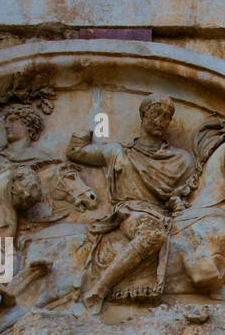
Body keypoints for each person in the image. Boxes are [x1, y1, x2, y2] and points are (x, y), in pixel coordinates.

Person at [66, 93, 197, 311]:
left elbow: (190, 194)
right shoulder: (118, 152)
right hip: (131, 213)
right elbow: (75, 152)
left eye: (166, 117)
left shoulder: (183, 160)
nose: (160, 121)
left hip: (166, 216)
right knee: (152, 234)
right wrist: (87, 123)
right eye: (155, 114)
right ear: (143, 116)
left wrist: (178, 202)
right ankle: (99, 290)